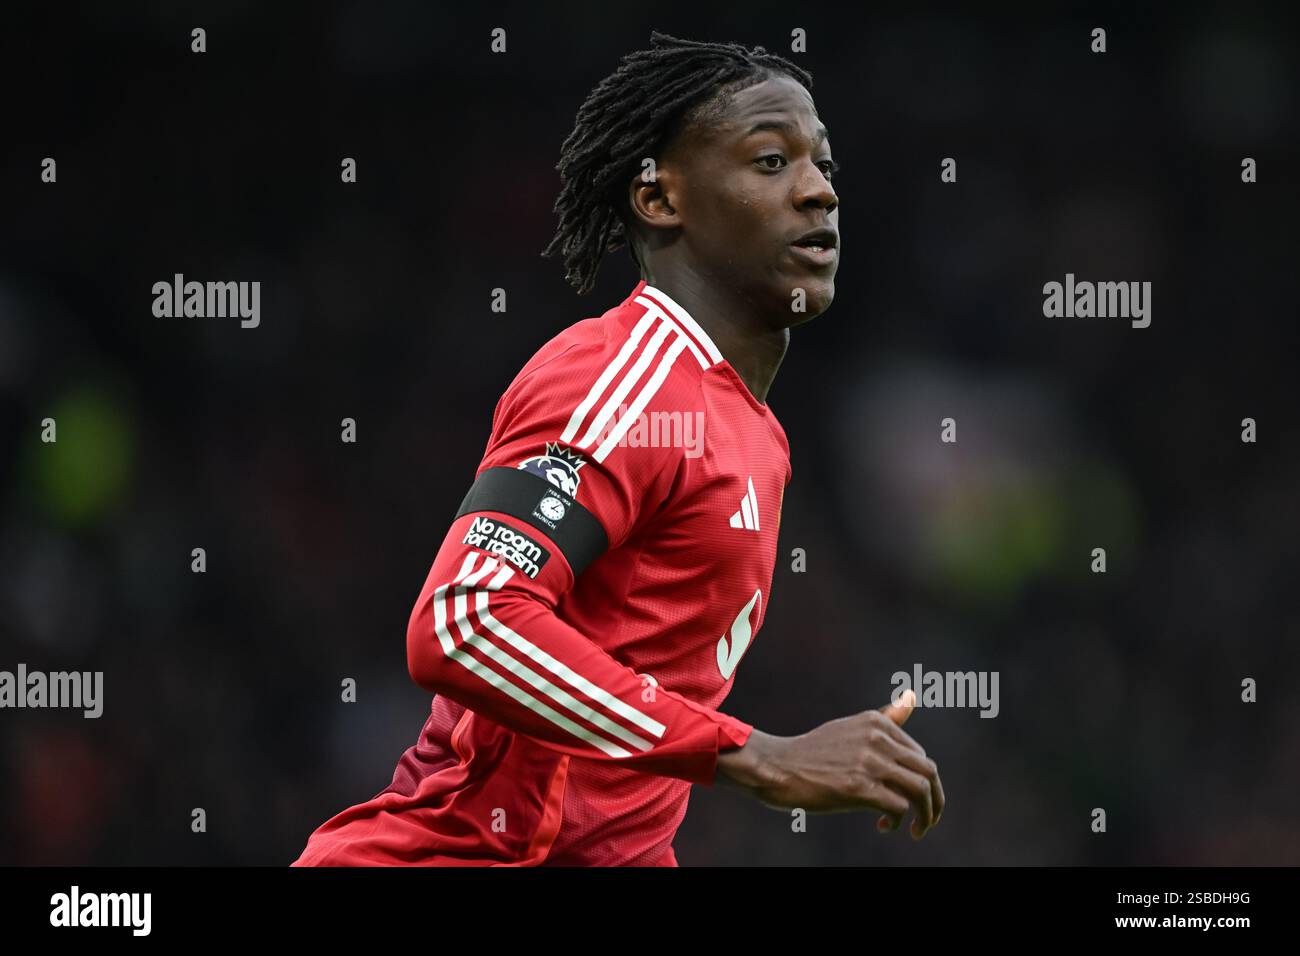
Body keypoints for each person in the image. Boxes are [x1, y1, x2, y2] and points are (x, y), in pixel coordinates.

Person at [294, 31, 943, 867]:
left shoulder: (755, 434)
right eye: (772, 161)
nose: (818, 192)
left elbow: (618, 807)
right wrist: (760, 756)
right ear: (660, 198)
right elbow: (466, 620)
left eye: (824, 165)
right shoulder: (625, 376)